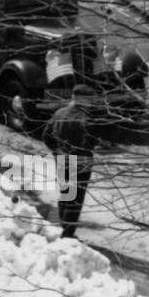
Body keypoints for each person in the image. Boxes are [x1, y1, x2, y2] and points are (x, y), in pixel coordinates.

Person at [43, 84, 97, 239]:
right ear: (83, 99)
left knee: (66, 193)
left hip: (61, 159)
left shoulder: (59, 113)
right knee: (76, 198)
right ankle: (68, 233)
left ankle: (64, 226)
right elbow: (90, 142)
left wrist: (57, 150)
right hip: (81, 163)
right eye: (91, 99)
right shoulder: (88, 119)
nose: (93, 102)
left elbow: (46, 136)